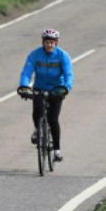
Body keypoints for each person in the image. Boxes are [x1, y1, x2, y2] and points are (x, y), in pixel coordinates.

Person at [17, 28, 73, 161]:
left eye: (52, 42)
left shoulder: (63, 56)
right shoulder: (35, 55)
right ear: (43, 42)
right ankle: (38, 129)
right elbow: (27, 72)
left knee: (53, 119)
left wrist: (65, 87)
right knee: (38, 112)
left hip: (57, 89)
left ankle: (57, 150)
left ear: (56, 43)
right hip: (39, 88)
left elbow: (68, 75)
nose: (49, 45)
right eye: (47, 42)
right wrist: (24, 86)